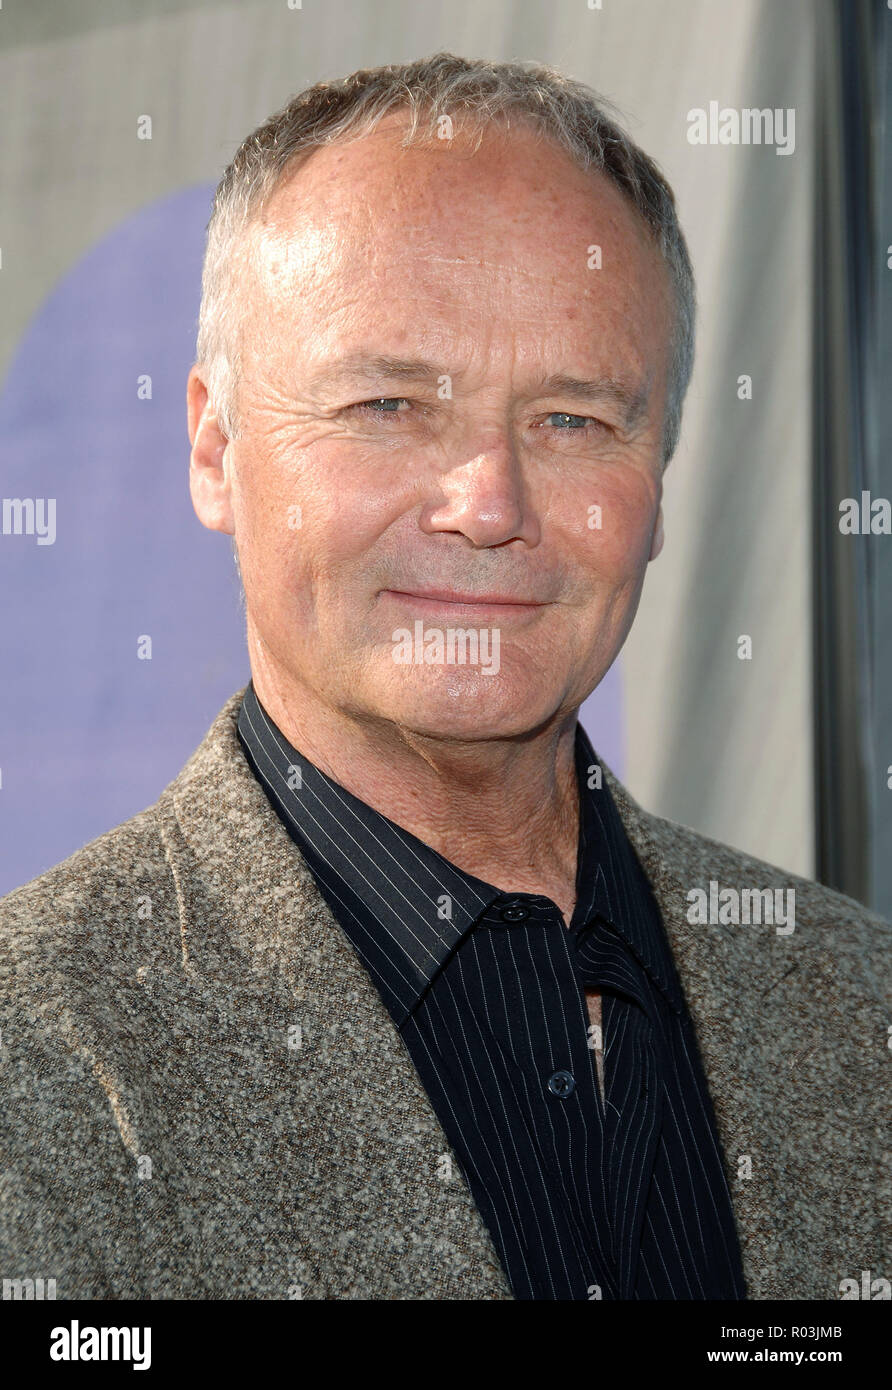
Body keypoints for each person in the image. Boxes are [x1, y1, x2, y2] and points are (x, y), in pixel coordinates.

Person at [1, 53, 888, 1301]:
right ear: (215, 447)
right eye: (388, 404)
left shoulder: (860, 1009)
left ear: (661, 481)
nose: (489, 503)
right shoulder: (30, 1065)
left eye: (573, 420)